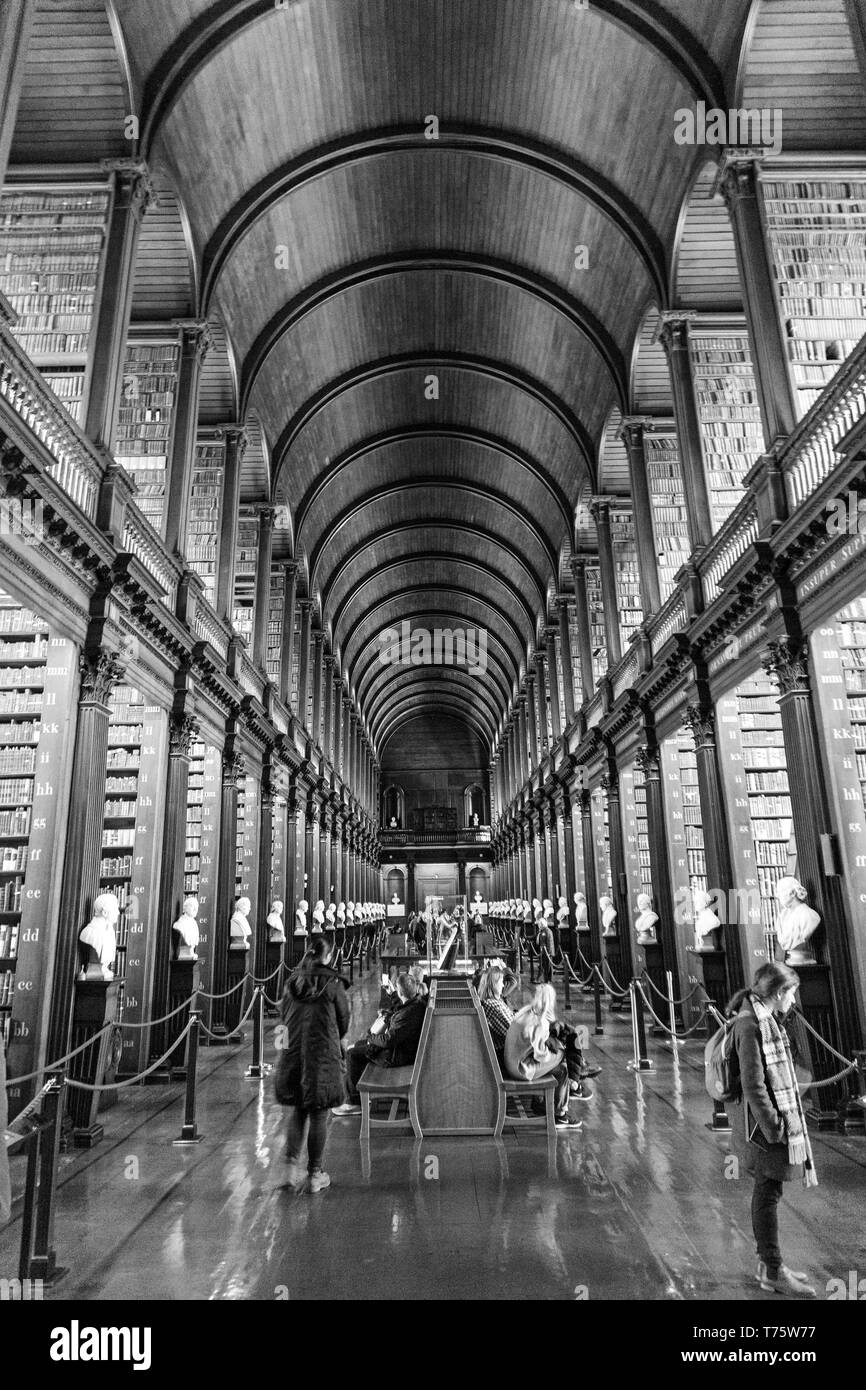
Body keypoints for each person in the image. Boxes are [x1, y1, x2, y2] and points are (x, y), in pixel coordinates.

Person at [728, 962, 818, 1297]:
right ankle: (774, 1270)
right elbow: (753, 1084)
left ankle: (769, 1264)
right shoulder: (751, 1024)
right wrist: (775, 1128)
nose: (793, 1000)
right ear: (779, 992)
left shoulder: (761, 1017)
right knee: (767, 1194)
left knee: (769, 1192)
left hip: (763, 1125)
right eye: (791, 993)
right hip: (762, 1129)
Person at [276, 935, 349, 1193]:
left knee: (299, 1109)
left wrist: (284, 1050)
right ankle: (315, 1175)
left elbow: (283, 1017)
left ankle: (288, 1171)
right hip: (322, 1054)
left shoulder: (292, 982)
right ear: (328, 957)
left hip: (294, 1051)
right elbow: (344, 1022)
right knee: (319, 1112)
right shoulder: (333, 984)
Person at [332, 972, 427, 1115]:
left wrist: (371, 1038)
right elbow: (402, 1008)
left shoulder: (408, 1014)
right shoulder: (417, 1003)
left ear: (401, 991)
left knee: (352, 1054)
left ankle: (354, 1103)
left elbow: (389, 1040)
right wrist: (393, 995)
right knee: (358, 1046)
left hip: (396, 1056)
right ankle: (358, 1095)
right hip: (403, 1050)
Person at [504, 983, 581, 1129]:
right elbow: (541, 1055)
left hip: (511, 1063)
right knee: (562, 1061)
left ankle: (544, 1103)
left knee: (559, 1065)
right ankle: (561, 1114)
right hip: (521, 1070)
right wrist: (557, 1050)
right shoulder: (540, 1021)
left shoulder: (525, 1012)